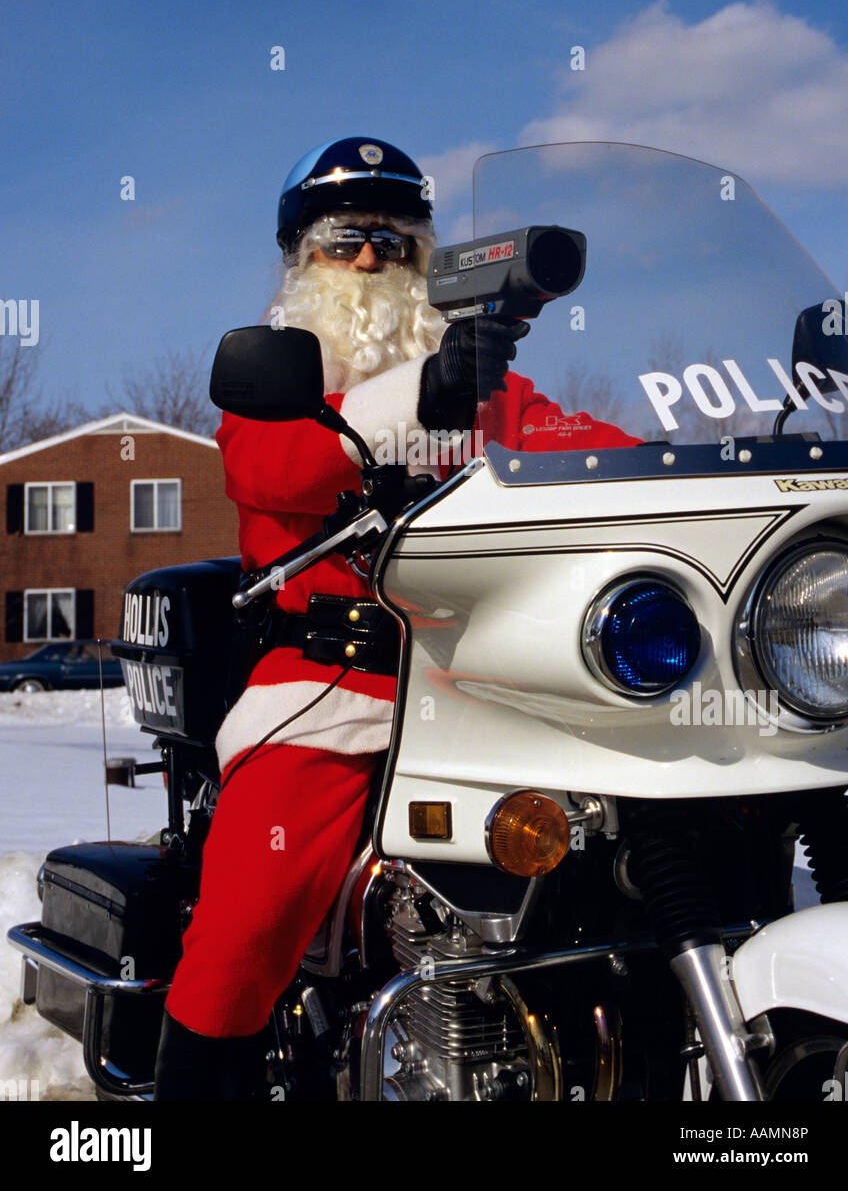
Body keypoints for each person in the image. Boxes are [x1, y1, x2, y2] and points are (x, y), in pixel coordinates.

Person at [154, 137, 638, 1100]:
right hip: (330, 691)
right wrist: (427, 392)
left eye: (395, 238)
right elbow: (274, 470)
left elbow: (592, 451)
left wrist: (735, 460)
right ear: (304, 260)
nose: (372, 258)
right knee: (252, 917)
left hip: (499, 682)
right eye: (345, 239)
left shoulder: (480, 384)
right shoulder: (279, 380)